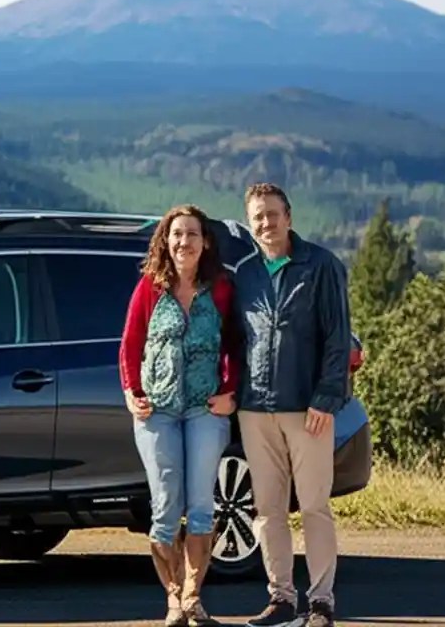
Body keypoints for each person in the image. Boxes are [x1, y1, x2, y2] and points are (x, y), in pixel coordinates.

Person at [227, 183, 352, 627]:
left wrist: (326, 397)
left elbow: (339, 339)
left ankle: (321, 602)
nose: (266, 223)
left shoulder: (321, 266)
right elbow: (236, 341)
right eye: (258, 216)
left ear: (289, 217)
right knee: (268, 509)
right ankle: (281, 599)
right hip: (255, 409)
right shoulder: (244, 272)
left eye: (273, 214)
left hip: (308, 408)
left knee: (315, 506)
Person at [119, 203, 240, 627]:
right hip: (159, 411)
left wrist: (232, 394)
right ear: (165, 242)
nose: (183, 241)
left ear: (204, 241)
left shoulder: (222, 288)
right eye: (176, 234)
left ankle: (193, 597)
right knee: (166, 508)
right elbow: (130, 345)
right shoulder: (150, 288)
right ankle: (172, 596)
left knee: (202, 505)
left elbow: (238, 344)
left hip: (205, 408)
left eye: (191, 234)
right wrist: (132, 393)